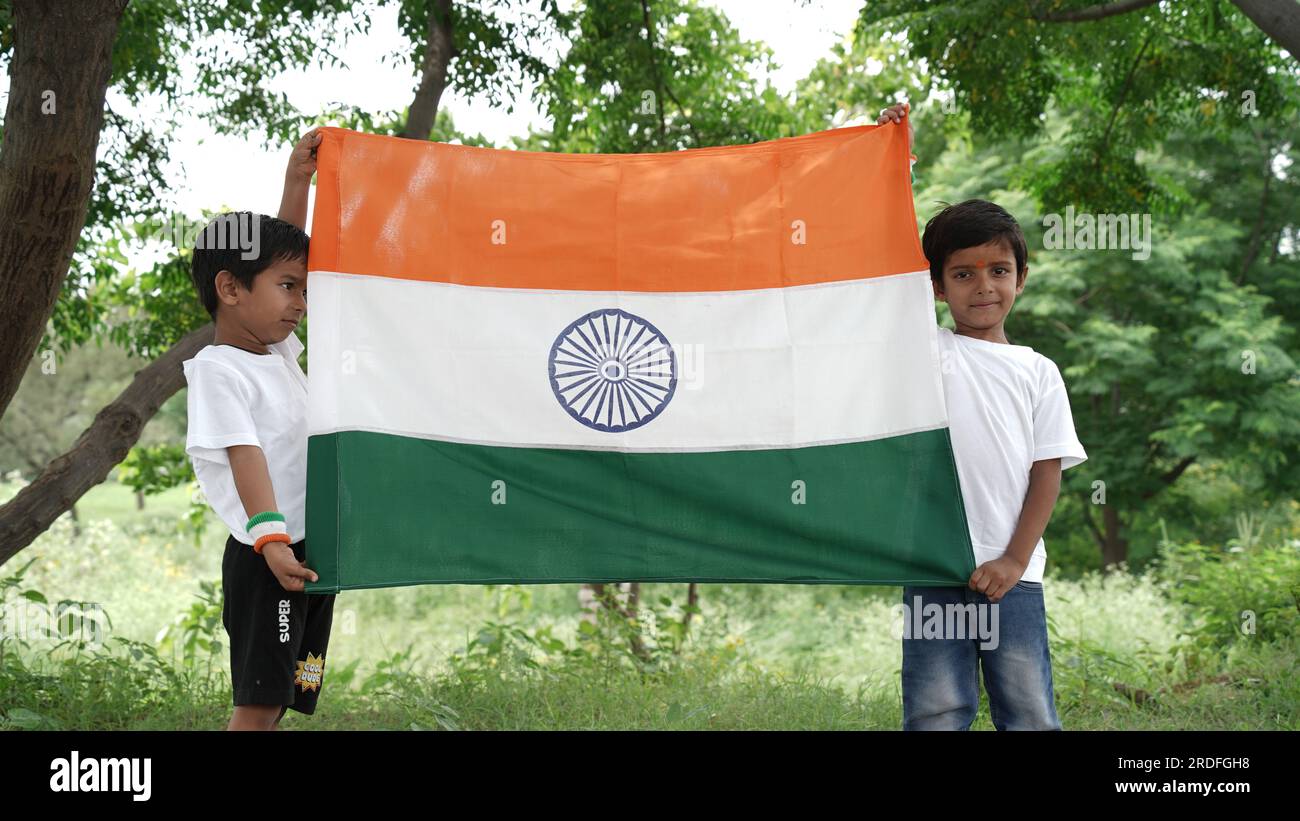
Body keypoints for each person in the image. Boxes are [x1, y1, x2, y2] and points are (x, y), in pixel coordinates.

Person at [878, 103, 1088, 730]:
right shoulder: (926, 352)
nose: (983, 286)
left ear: (1021, 277)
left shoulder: (1037, 371)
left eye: (998, 271)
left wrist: (1014, 562)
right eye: (962, 274)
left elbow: (1046, 474)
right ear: (938, 286)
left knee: (1028, 711)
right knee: (937, 711)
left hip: (1013, 575)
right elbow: (885, 272)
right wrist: (894, 166)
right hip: (933, 566)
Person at [183, 130, 334, 730]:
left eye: (303, 287)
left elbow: (281, 253)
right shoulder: (219, 369)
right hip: (266, 555)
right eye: (288, 288)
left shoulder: (274, 353)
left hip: (305, 553)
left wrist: (298, 182)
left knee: (295, 685)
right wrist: (271, 542)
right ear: (229, 289)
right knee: (260, 698)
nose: (299, 301)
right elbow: (245, 455)